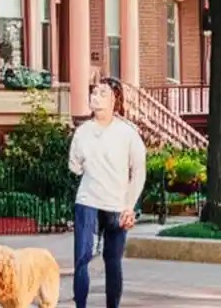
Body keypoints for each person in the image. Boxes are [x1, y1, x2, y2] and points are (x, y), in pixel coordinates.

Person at [68, 78, 147, 308]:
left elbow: (139, 170)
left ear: (115, 100)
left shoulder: (127, 133)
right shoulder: (82, 132)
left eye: (103, 93)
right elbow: (74, 166)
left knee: (113, 261)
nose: (96, 96)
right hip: (88, 202)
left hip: (116, 206)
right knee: (82, 258)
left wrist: (130, 205)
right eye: (94, 92)